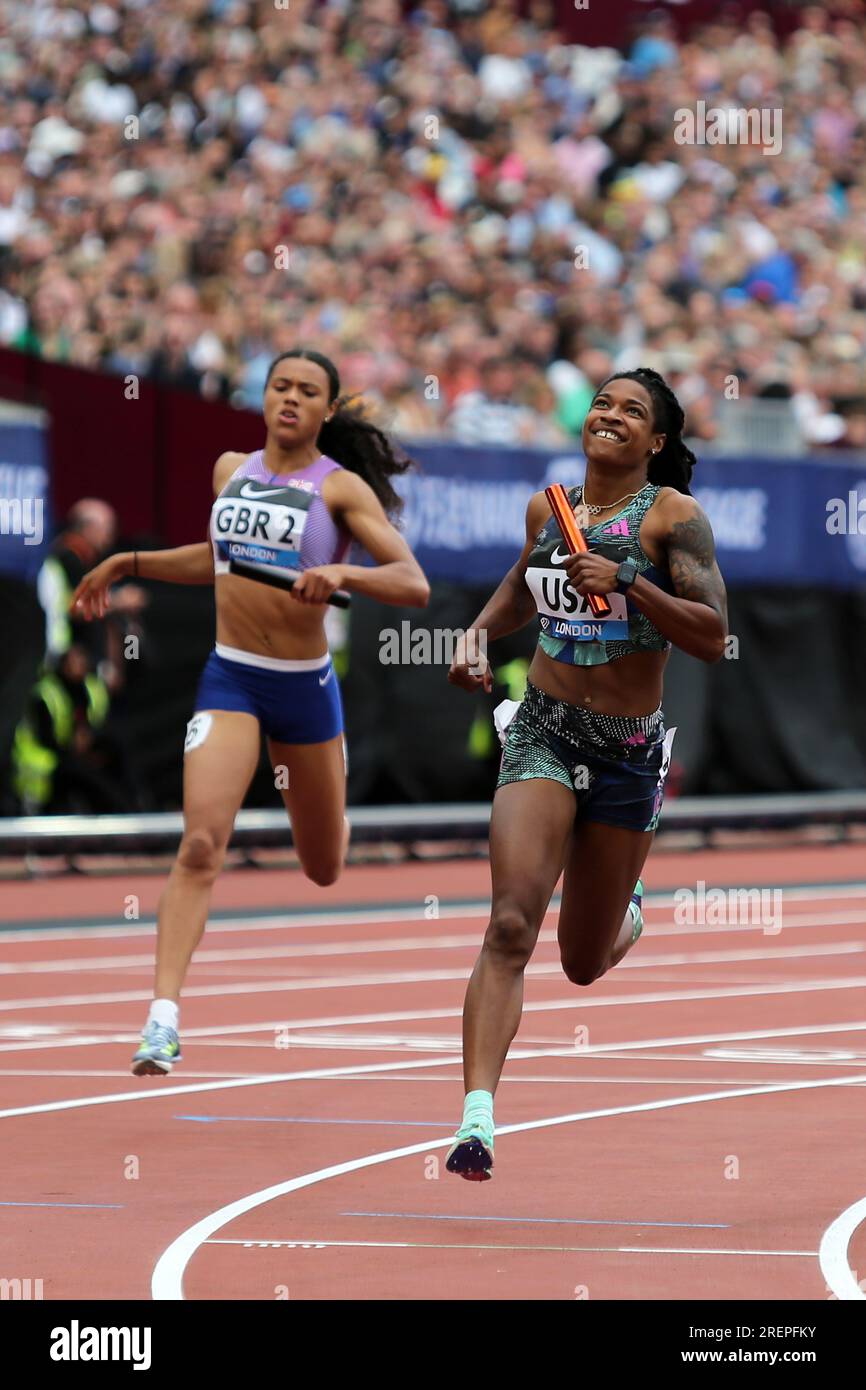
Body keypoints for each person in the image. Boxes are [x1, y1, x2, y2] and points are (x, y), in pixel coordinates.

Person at [72, 348, 430, 1075]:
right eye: (280, 387)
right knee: (201, 845)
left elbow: (413, 583)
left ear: (327, 411)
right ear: (264, 397)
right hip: (232, 678)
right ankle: (162, 1019)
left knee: (324, 866)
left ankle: (326, 780)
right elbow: (217, 559)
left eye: (307, 392)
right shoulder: (230, 468)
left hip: (303, 690)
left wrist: (339, 571)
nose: (290, 399)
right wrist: (124, 562)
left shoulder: (342, 491)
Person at [445, 367, 728, 1180]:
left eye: (631, 411)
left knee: (580, 961)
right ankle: (476, 1123)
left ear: (657, 439)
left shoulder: (677, 520)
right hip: (542, 729)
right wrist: (477, 635)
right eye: (602, 403)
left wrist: (632, 583)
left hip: (627, 751)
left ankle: (625, 911)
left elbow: (712, 636)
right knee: (508, 926)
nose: (609, 416)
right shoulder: (550, 507)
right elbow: (520, 584)